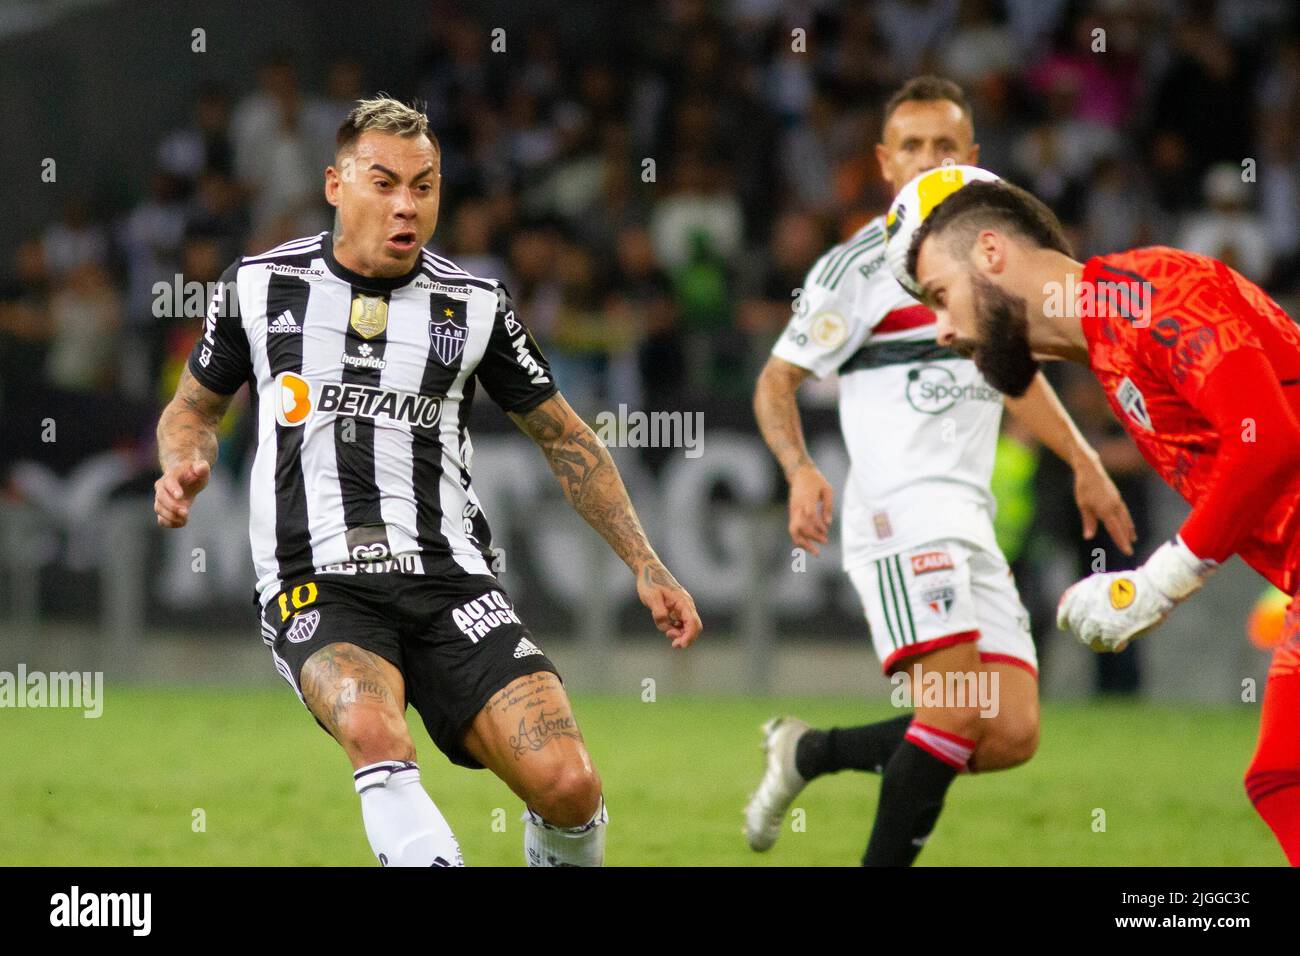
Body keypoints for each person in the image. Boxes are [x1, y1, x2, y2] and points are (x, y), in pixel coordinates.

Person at [153, 97, 701, 867]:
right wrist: (182, 462)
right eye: (384, 182)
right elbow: (192, 410)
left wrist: (646, 562)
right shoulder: (258, 286)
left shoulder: (475, 306)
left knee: (571, 786)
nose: (407, 204)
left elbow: (567, 439)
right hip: (318, 583)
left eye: (425, 185)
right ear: (336, 184)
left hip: (452, 584)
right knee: (375, 732)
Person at [745, 77, 1134, 866]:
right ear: (886, 162)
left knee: (1012, 730)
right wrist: (799, 468)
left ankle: (808, 753)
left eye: (945, 147)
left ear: (973, 162)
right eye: (913, 147)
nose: (929, 160)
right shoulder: (857, 267)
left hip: (971, 514)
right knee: (954, 716)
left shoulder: (991, 260)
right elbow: (776, 379)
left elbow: (1014, 376)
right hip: (900, 513)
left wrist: (1085, 459)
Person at [901, 167, 1300, 864]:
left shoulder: (1142, 294)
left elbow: (1265, 437)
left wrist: (1159, 581)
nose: (941, 331)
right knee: (1281, 777)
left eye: (940, 296)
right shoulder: (1111, 350)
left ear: (992, 254)